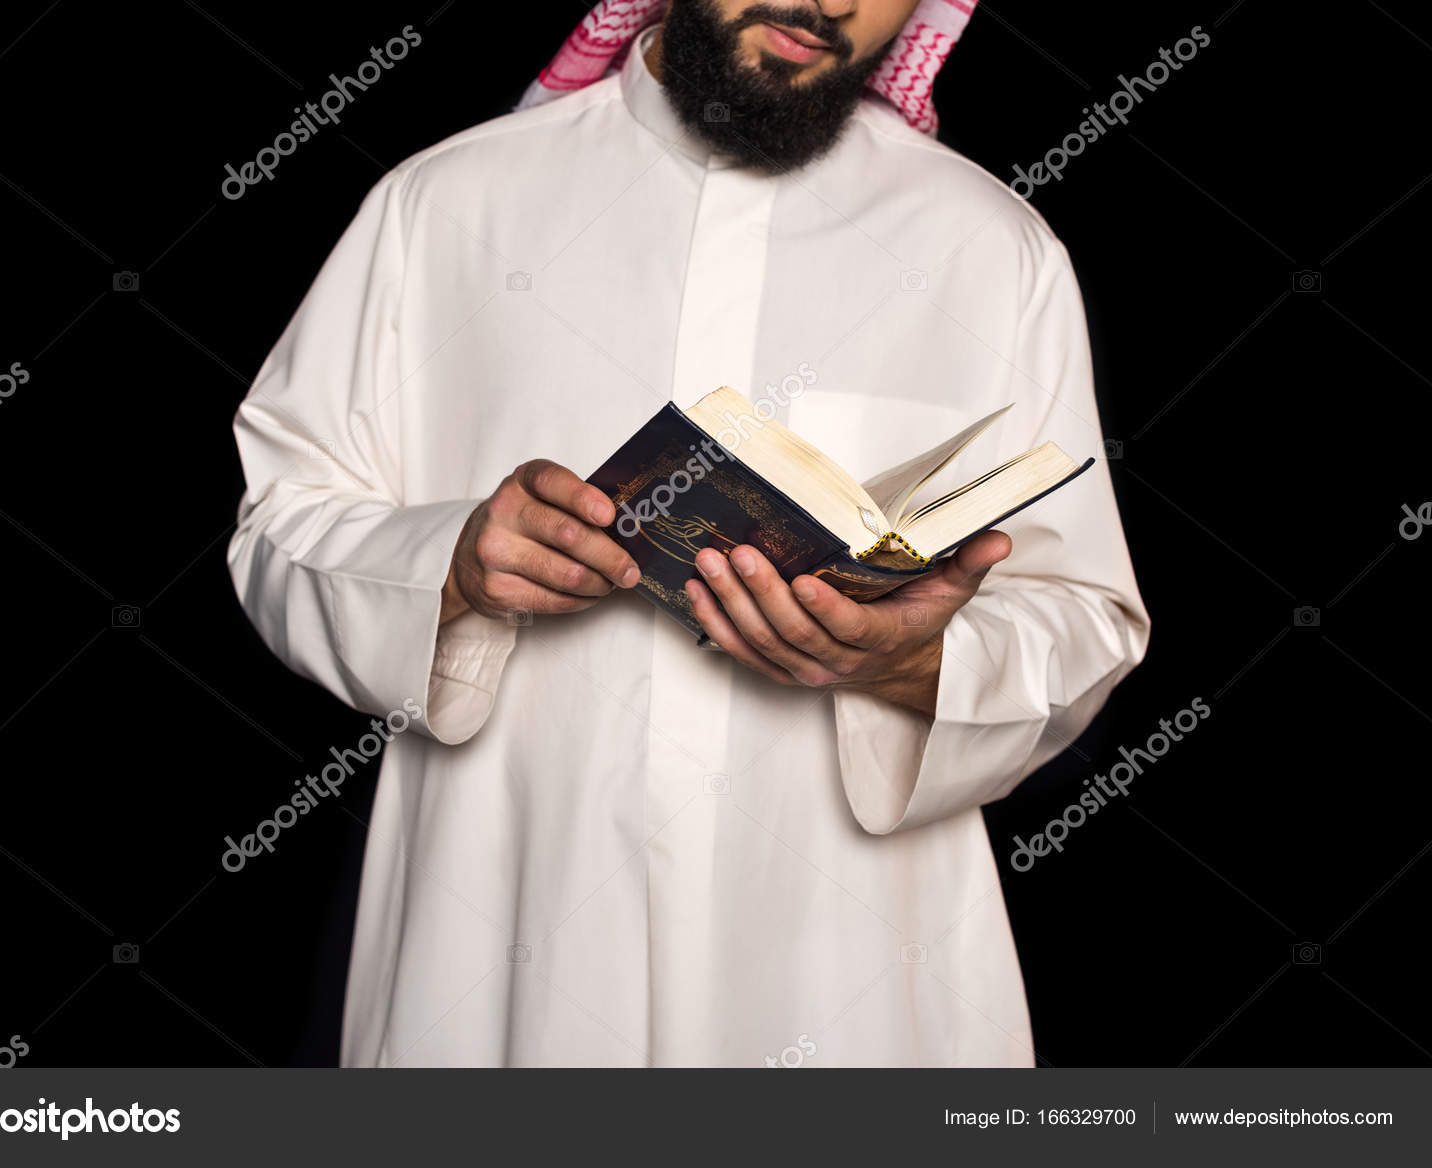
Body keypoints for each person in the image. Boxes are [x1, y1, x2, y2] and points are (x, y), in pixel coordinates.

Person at [227, 0, 1149, 1066]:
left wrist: (920, 660)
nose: (828, 3)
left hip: (848, 981)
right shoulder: (443, 206)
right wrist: (451, 566)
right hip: (499, 943)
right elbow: (279, 528)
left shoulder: (989, 249)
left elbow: (1084, 621)